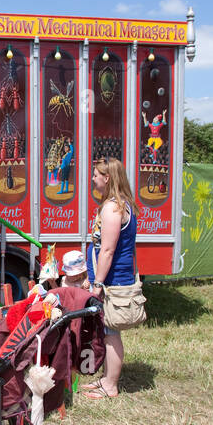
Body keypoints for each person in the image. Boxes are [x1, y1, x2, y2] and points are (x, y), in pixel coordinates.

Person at [80, 157, 138, 399]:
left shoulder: (113, 208)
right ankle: (106, 378)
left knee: (111, 333)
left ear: (107, 178)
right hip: (111, 279)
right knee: (107, 331)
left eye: (96, 175)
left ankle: (111, 385)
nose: (93, 179)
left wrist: (98, 284)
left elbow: (107, 250)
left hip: (112, 281)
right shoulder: (118, 205)